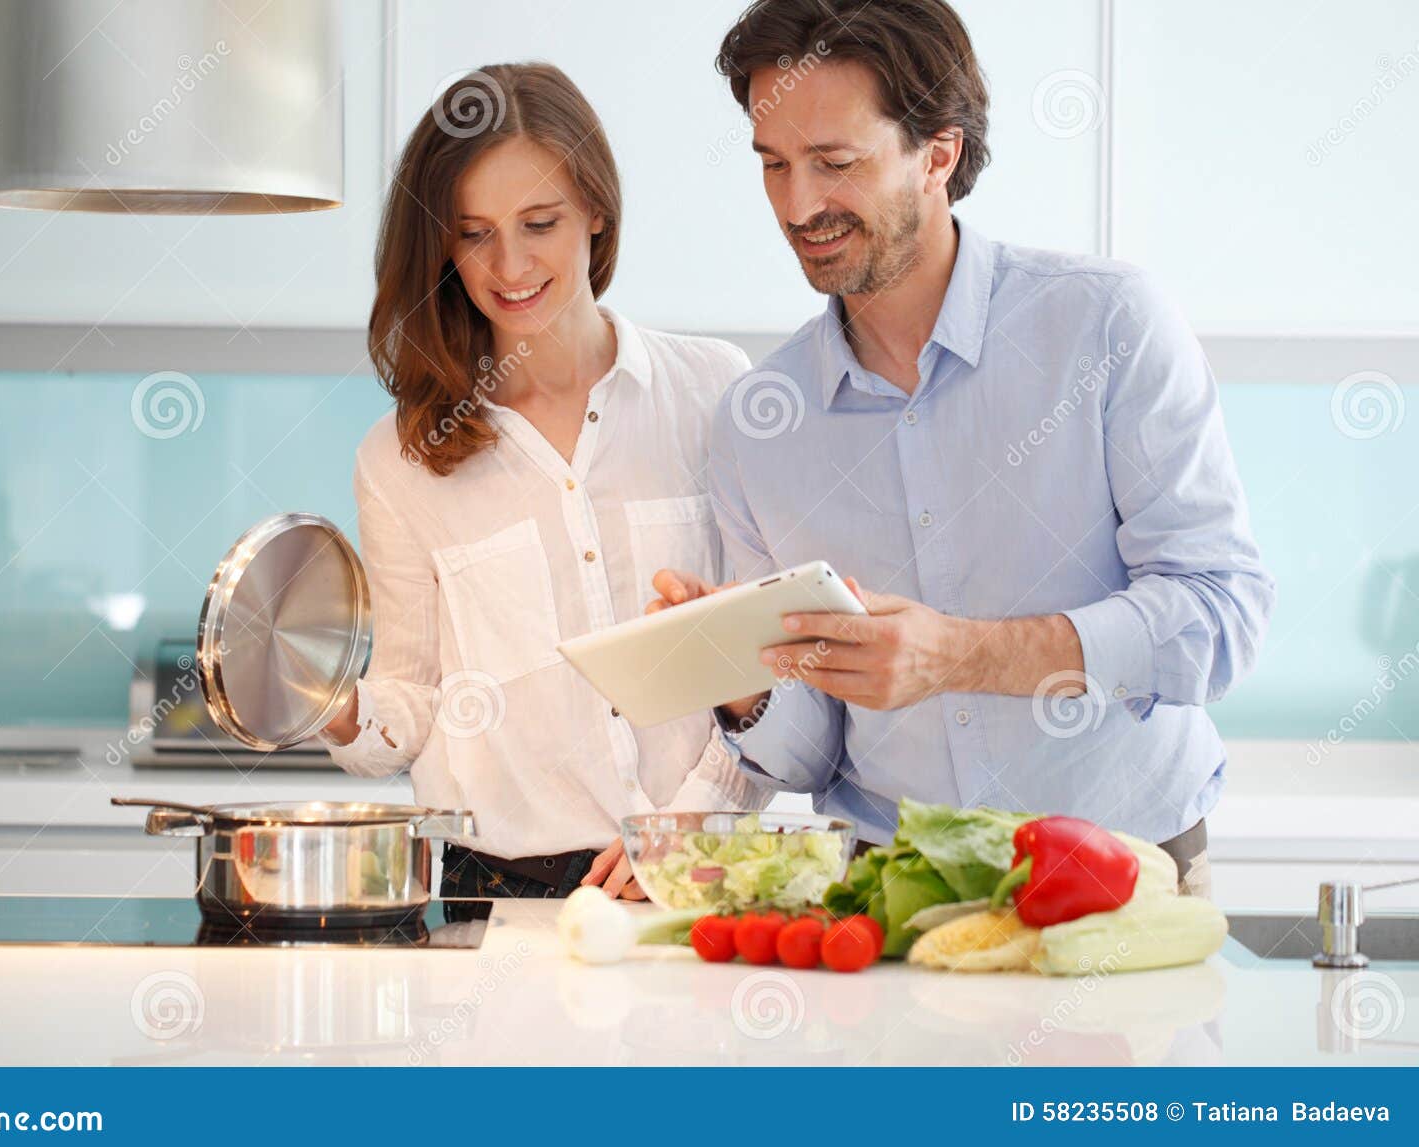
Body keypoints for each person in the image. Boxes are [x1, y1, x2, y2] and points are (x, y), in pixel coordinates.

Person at [652, 0, 1274, 896]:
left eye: (835, 163)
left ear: (938, 154)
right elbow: (810, 749)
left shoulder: (1106, 325)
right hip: (892, 889)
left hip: (1120, 875)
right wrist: (742, 678)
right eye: (774, 164)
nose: (797, 205)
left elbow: (1219, 618)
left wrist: (963, 655)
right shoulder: (758, 421)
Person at [321, 62, 768, 901]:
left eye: (538, 222)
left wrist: (698, 817)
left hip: (703, 873)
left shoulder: (713, 390)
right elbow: (412, 699)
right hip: (498, 897)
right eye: (473, 232)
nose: (509, 263)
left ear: (596, 210)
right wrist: (328, 703)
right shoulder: (404, 456)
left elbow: (764, 662)